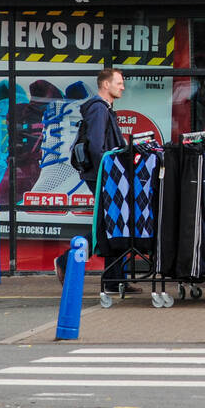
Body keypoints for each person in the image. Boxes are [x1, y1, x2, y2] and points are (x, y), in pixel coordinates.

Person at [55, 67, 126, 288]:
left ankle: (115, 280)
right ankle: (67, 260)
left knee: (112, 223)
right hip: (103, 175)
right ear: (106, 85)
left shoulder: (103, 109)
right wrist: (107, 174)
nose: (122, 87)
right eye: (119, 82)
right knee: (109, 224)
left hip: (105, 174)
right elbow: (96, 146)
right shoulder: (99, 110)